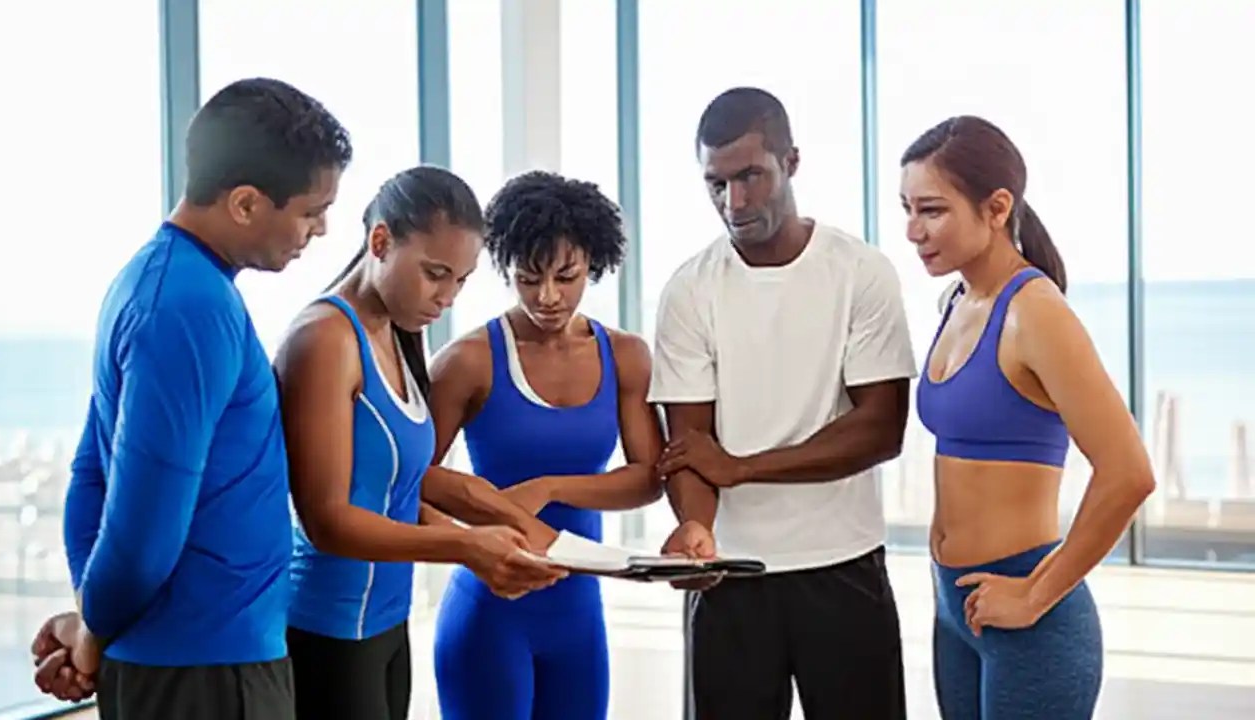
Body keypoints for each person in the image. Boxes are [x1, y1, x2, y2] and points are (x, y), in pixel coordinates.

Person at [32, 76, 354, 719]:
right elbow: (141, 528)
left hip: (202, 666)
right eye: (310, 210)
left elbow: (89, 475)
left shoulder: (160, 283)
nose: (320, 229)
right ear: (244, 204)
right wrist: (96, 629)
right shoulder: (188, 307)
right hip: (207, 681)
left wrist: (92, 623)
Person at [652, 87, 916, 720]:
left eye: (751, 177)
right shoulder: (689, 289)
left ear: (791, 162)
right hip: (730, 577)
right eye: (716, 184)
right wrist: (695, 527)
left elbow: (881, 429)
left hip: (844, 566)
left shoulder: (861, 271)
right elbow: (690, 447)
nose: (734, 202)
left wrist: (743, 467)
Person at [274, 165, 568, 720]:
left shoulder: (400, 331)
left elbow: (403, 477)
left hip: (387, 624)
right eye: (435, 274)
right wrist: (465, 548)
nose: (447, 297)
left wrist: (506, 522)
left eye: (460, 280)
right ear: (380, 241)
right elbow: (327, 520)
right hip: (328, 631)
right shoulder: (324, 340)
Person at [901, 115, 1155, 719]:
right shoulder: (956, 302)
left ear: (996, 208)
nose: (913, 230)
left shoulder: (1037, 313)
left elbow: (1129, 472)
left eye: (932, 210)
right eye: (906, 208)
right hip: (955, 605)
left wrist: (1035, 595)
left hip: (1030, 617)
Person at [427, 170, 664, 720]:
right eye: (529, 279)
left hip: (580, 618)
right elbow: (411, 481)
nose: (549, 296)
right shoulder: (468, 361)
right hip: (490, 613)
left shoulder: (626, 355)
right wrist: (473, 539)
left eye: (567, 275)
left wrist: (549, 488)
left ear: (594, 262)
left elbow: (648, 477)